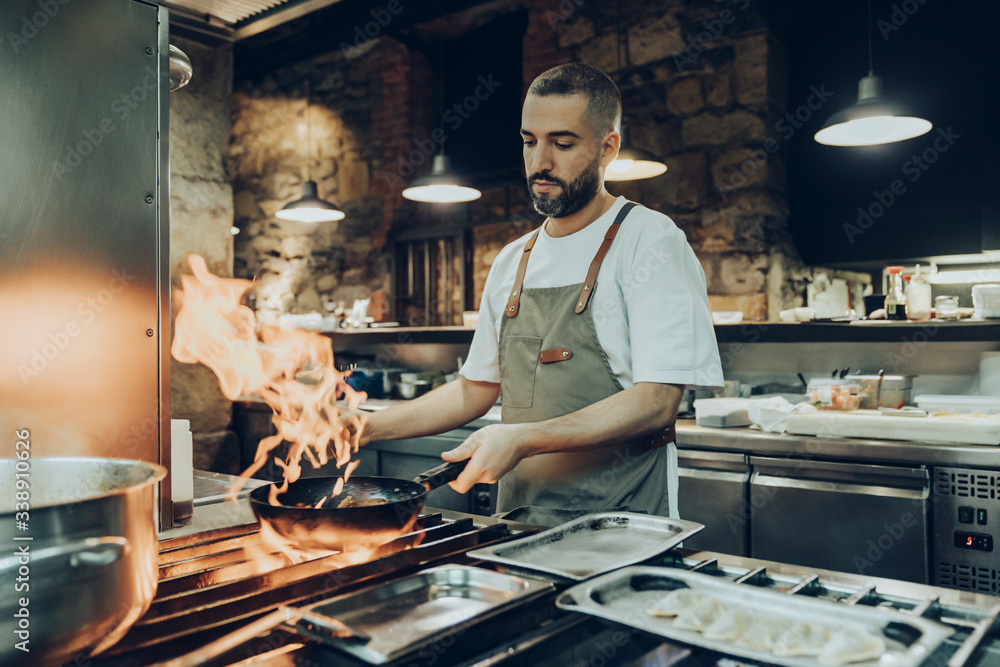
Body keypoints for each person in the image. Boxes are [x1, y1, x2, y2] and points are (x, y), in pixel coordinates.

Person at [342, 63, 723, 525]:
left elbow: (657, 401)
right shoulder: (511, 261)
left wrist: (521, 438)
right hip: (520, 518)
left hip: (624, 523)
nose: (540, 162)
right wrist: (361, 427)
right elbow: (473, 391)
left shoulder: (651, 241)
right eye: (529, 141)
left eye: (562, 144)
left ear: (608, 148)